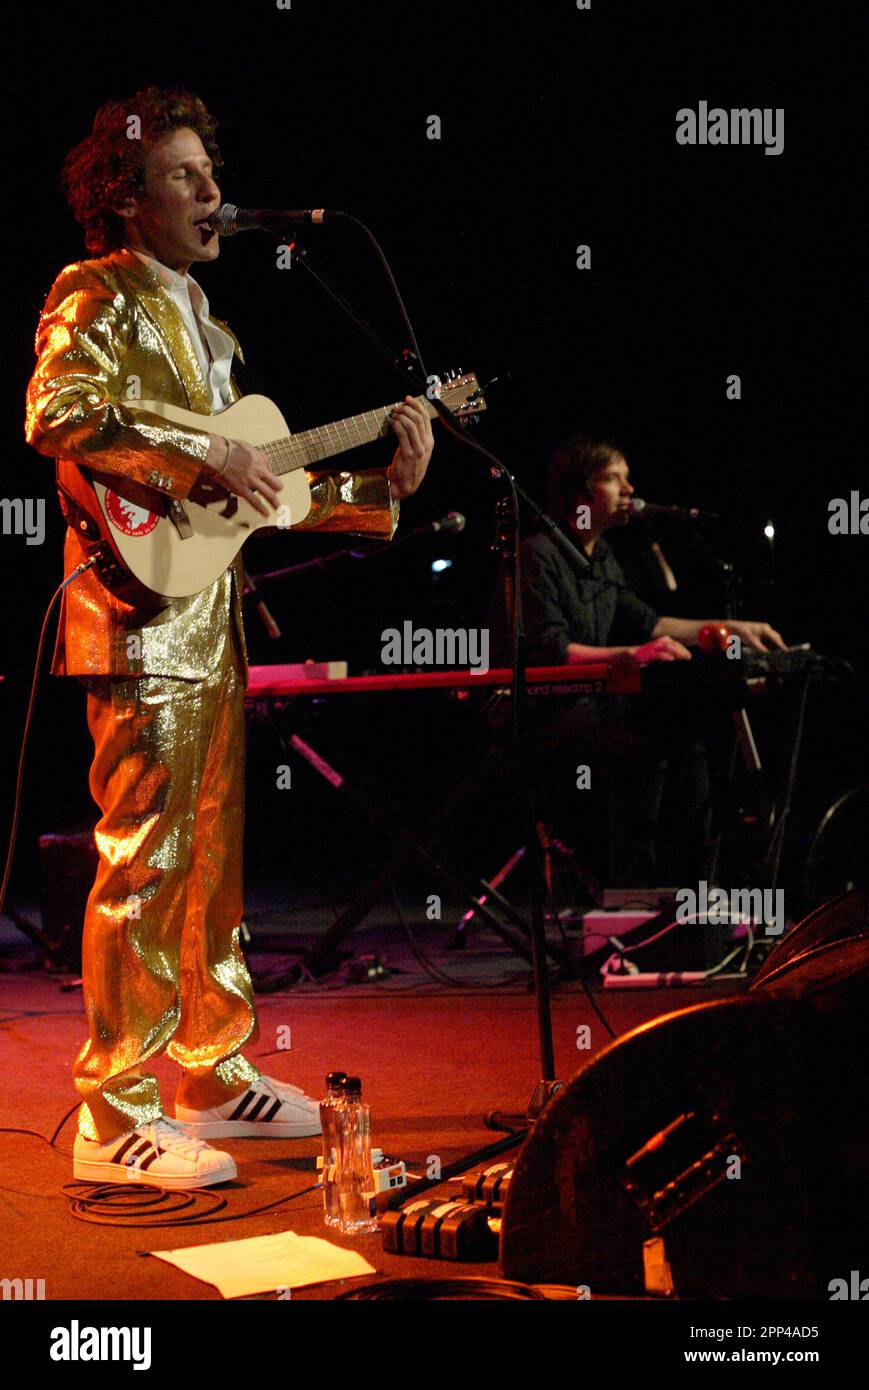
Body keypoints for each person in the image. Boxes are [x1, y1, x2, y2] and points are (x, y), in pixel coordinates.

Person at [24, 88, 433, 1190]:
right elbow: (58, 411)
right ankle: (115, 1108)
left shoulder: (207, 320)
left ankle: (208, 1070)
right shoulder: (93, 291)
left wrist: (378, 488)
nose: (214, 195)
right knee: (145, 859)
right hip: (136, 620)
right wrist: (196, 456)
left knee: (210, 866)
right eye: (185, 177)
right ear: (125, 196)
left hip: (212, 626)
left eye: (213, 174)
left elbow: (257, 495)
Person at [521, 435, 785, 886]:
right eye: (613, 478)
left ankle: (694, 885)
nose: (629, 489)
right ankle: (632, 886)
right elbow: (553, 651)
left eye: (628, 479)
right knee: (649, 743)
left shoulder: (602, 557)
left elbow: (650, 623)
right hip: (542, 712)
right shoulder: (539, 553)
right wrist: (634, 654)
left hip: (594, 704)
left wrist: (737, 629)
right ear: (580, 490)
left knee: (689, 737)